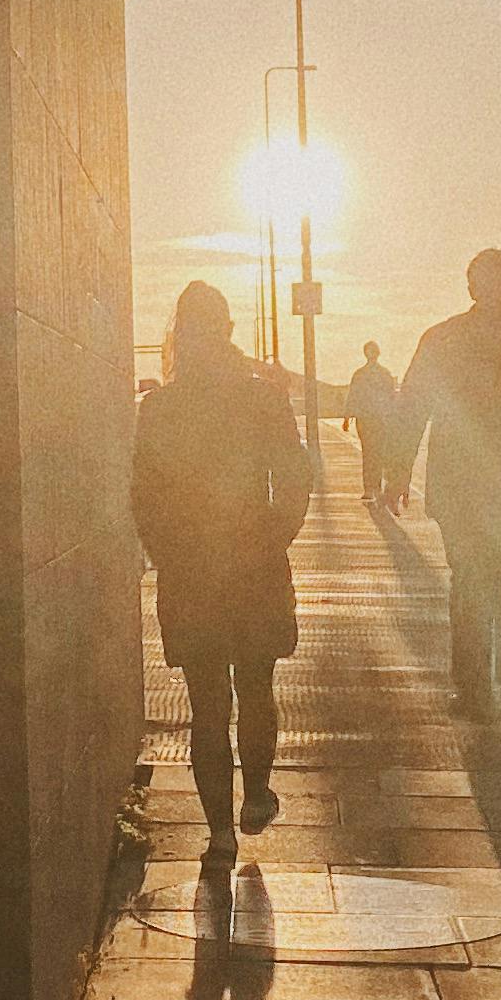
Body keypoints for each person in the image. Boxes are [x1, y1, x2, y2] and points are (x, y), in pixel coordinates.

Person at [131, 281, 313, 872]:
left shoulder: (160, 407)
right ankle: (257, 793)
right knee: (255, 688)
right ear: (229, 330)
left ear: (179, 335)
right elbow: (293, 477)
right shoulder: (263, 399)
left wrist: (168, 554)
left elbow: (145, 497)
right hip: (252, 562)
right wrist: (273, 536)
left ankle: (221, 834)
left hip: (192, 571)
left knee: (208, 705)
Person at [400, 249, 501, 715]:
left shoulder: (443, 339)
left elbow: (412, 405)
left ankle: (476, 687)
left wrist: (398, 469)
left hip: (471, 483)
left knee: (473, 585)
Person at [345, 340, 405, 510]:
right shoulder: (361, 374)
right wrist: (348, 415)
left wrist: (393, 416)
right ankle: (369, 487)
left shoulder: (383, 374)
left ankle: (375, 486)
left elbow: (391, 397)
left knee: (377, 452)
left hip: (379, 419)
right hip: (365, 418)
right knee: (368, 452)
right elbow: (353, 394)